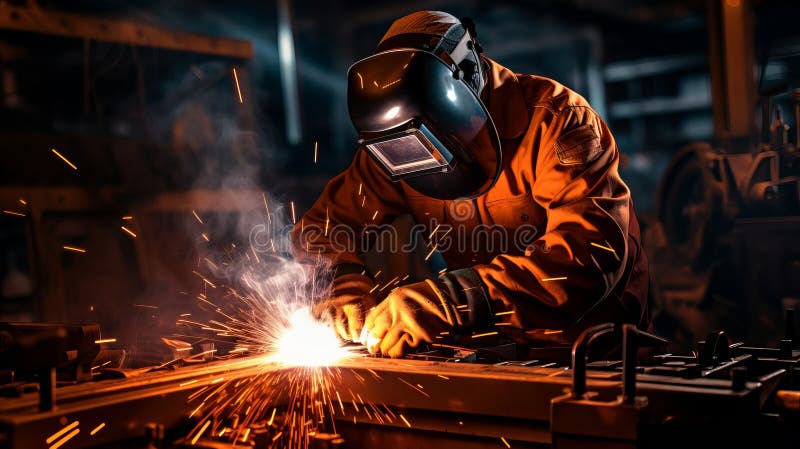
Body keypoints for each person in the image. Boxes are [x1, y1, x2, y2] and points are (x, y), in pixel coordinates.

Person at [292, 10, 649, 358]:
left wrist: (456, 297)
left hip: (592, 351)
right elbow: (321, 230)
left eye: (433, 140)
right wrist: (339, 285)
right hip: (491, 348)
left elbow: (588, 257)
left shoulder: (558, 122)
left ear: (465, 76)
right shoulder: (392, 141)